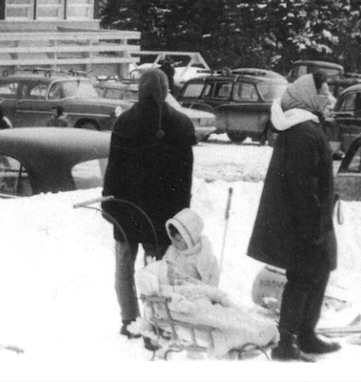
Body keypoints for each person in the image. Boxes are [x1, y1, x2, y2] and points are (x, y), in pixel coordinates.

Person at [246, 72, 339, 362]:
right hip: (304, 223)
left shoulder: (303, 127)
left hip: (303, 220)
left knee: (314, 274)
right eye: (323, 93)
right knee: (303, 277)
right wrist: (313, 228)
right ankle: (288, 342)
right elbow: (303, 185)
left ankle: (304, 336)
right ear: (310, 97)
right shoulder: (303, 132)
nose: (329, 99)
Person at [100, 68, 195, 340]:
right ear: (167, 91)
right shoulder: (181, 124)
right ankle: (156, 321)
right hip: (161, 214)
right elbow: (184, 178)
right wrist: (181, 213)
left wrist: (109, 202)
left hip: (126, 211)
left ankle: (129, 321)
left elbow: (114, 169)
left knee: (125, 268)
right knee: (154, 270)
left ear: (139, 90)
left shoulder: (125, 122)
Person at [136, 210, 278, 358]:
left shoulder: (203, 256)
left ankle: (253, 331)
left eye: (178, 239)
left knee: (228, 315)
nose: (174, 243)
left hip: (200, 297)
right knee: (199, 327)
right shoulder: (172, 252)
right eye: (172, 238)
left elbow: (210, 281)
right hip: (183, 304)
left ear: (189, 237)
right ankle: (243, 334)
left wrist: (207, 295)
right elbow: (161, 274)